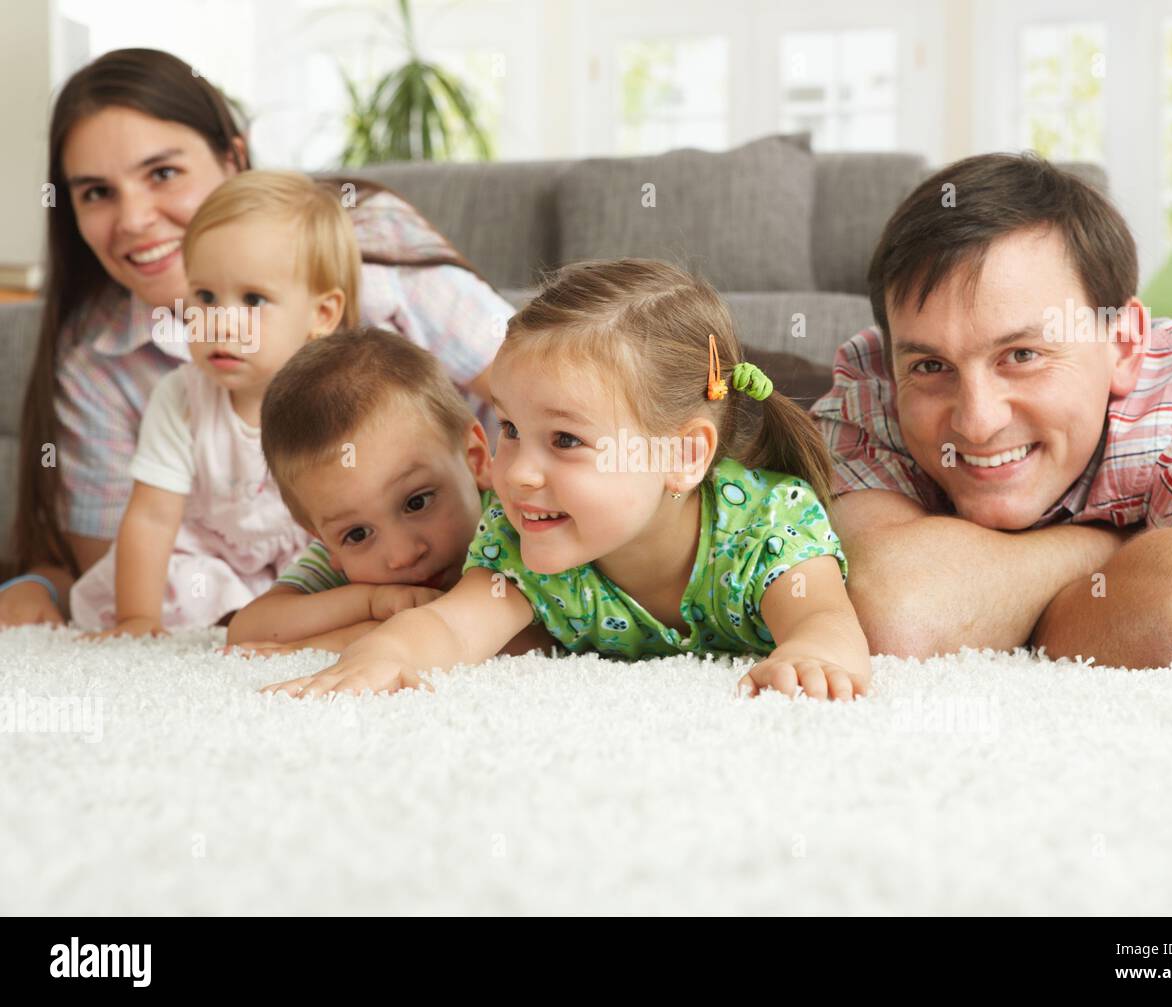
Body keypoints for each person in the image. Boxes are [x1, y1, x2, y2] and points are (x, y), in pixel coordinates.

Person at [0, 48, 509, 627]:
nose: (134, 218)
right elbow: (126, 553)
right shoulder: (103, 363)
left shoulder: (370, 254)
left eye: (163, 173)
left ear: (232, 156)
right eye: (96, 192)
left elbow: (547, 394)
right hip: (276, 600)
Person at [261, 259, 871, 700]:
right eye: (510, 428)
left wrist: (810, 656)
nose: (518, 474)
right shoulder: (525, 543)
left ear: (684, 454)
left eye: (566, 440)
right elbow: (448, 625)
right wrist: (385, 654)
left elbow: (824, 620)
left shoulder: (765, 526)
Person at [814, 152, 1172, 668]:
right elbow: (895, 611)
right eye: (933, 367)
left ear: (1125, 344)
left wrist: (991, 603)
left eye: (1022, 355)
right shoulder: (873, 382)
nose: (977, 422)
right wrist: (1109, 546)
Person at [71, 170, 351, 632]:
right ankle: (237, 623)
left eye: (253, 299)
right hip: (208, 557)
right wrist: (137, 619)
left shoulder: (339, 401)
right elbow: (152, 518)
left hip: (301, 556)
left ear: (321, 314)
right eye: (204, 296)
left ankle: (290, 618)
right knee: (186, 578)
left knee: (342, 569)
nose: (220, 323)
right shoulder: (182, 397)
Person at [226, 327, 549, 657]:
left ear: (475, 459)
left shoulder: (520, 521)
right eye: (358, 534)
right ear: (324, 540)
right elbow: (246, 630)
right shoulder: (343, 563)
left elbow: (543, 639)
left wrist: (366, 635)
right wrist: (369, 603)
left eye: (417, 502)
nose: (402, 555)